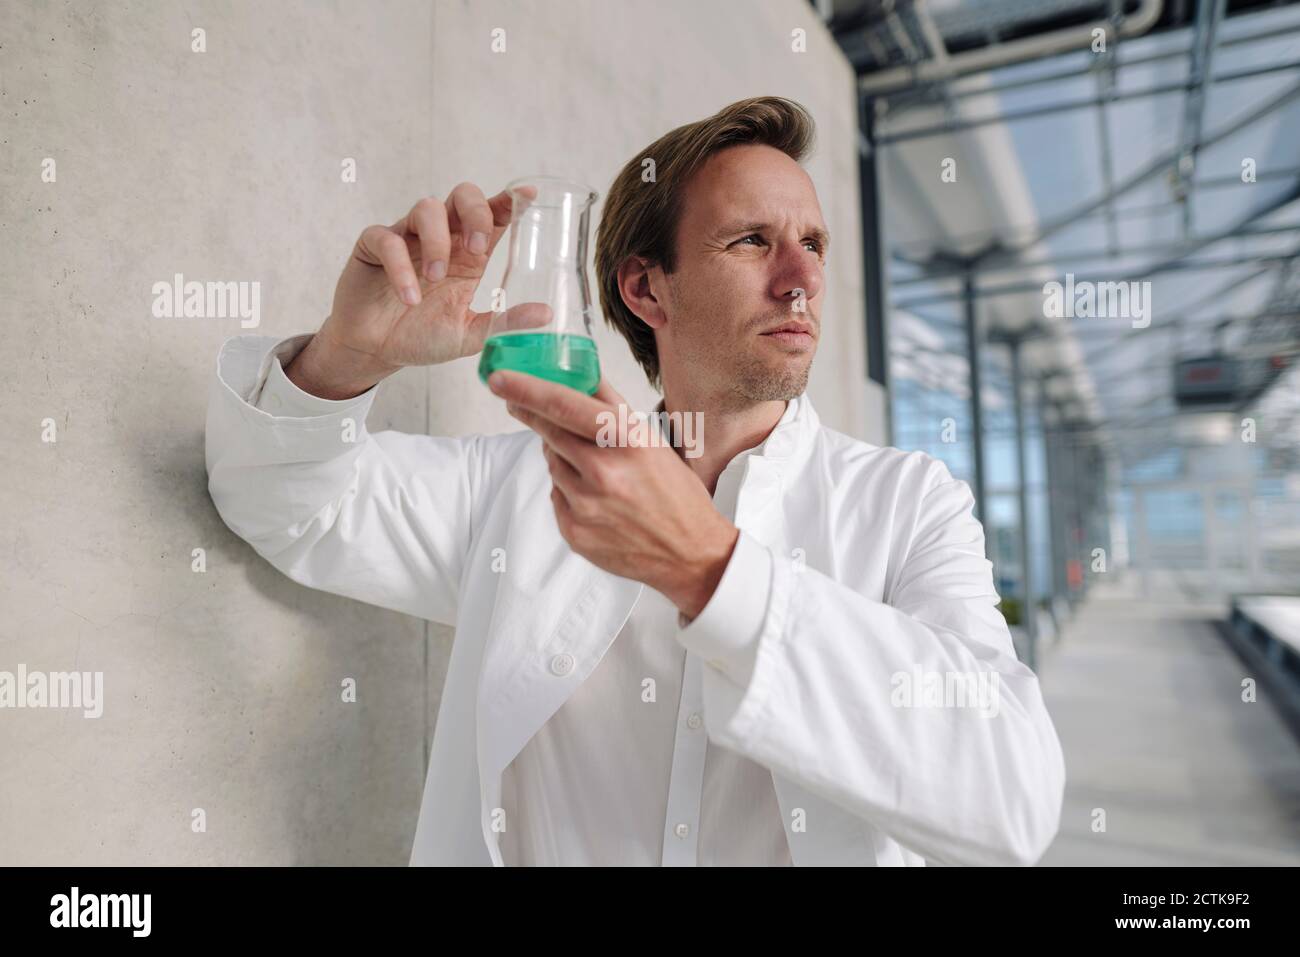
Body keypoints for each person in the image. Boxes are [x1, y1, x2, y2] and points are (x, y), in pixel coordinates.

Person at [205, 95, 1065, 866]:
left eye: (814, 244)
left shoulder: (909, 503)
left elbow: (1012, 796)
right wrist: (344, 359)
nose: (802, 280)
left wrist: (711, 571)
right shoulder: (516, 489)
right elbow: (291, 508)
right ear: (647, 287)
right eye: (753, 241)